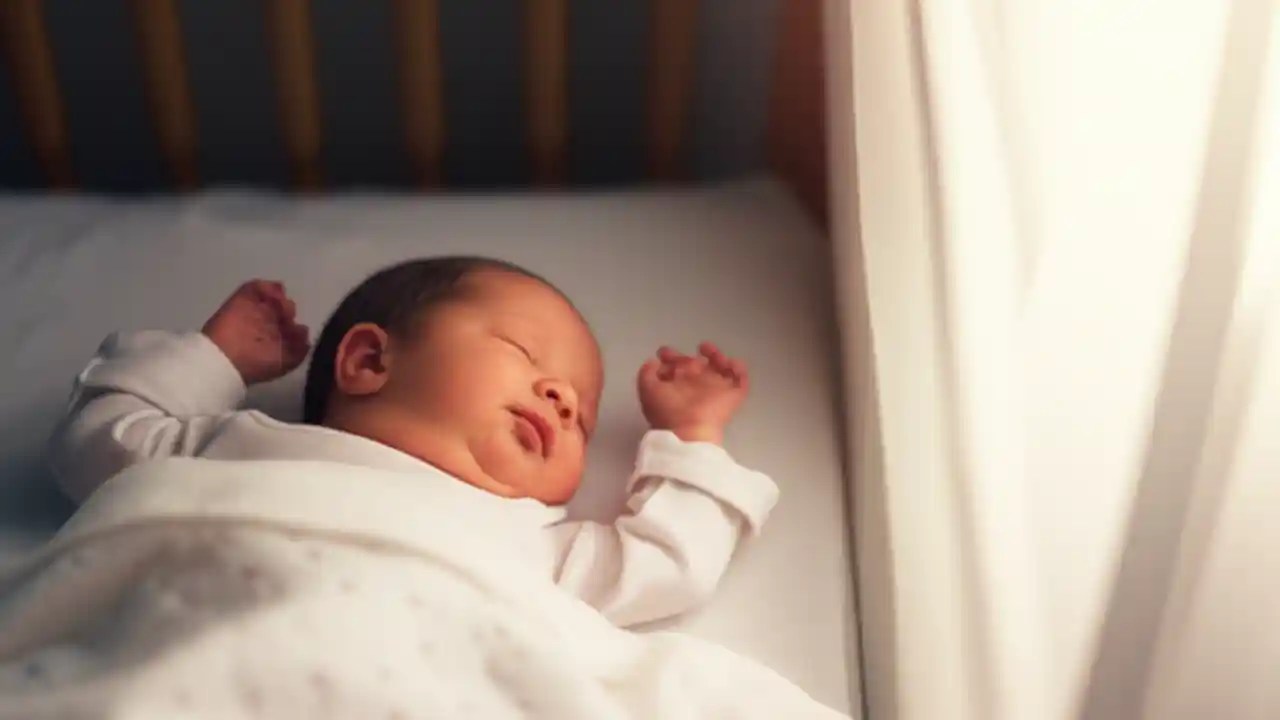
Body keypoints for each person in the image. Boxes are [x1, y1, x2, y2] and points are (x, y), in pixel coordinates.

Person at [49, 256, 778, 627]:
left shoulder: (534, 546)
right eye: (524, 353)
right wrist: (215, 360)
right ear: (370, 360)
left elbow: (664, 565)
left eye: (581, 419)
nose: (562, 398)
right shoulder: (236, 447)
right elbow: (96, 442)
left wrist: (693, 434)